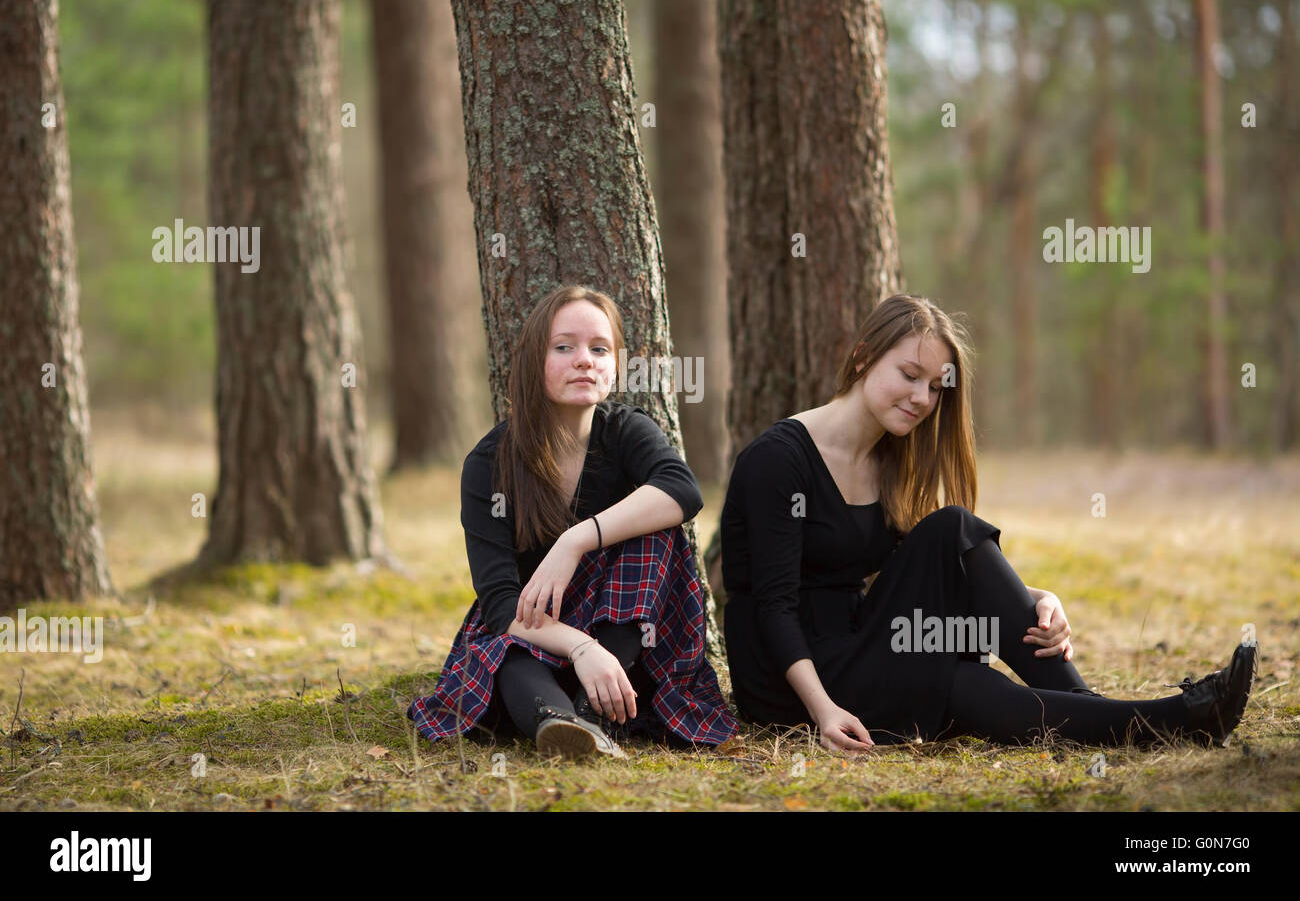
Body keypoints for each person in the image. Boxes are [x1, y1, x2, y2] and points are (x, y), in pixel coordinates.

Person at [720, 293, 1257, 753]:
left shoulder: (888, 459)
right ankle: (1182, 718)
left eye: (935, 387)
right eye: (909, 376)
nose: (921, 399)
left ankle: (1104, 711)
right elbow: (774, 608)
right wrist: (823, 711)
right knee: (961, 682)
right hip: (791, 678)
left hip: (859, 640)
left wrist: (1036, 595)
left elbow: (929, 567)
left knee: (953, 531)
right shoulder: (779, 461)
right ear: (863, 357)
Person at [408, 285, 737, 758]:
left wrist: (575, 541)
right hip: (530, 630)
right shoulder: (489, 463)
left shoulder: (626, 431)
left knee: (657, 533)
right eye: (564, 347)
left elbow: (682, 490)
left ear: (615, 365)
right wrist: (583, 649)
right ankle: (561, 725)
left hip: (624, 636)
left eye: (599, 349)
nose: (585, 360)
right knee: (502, 653)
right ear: (531, 362)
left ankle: (589, 715)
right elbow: (500, 606)